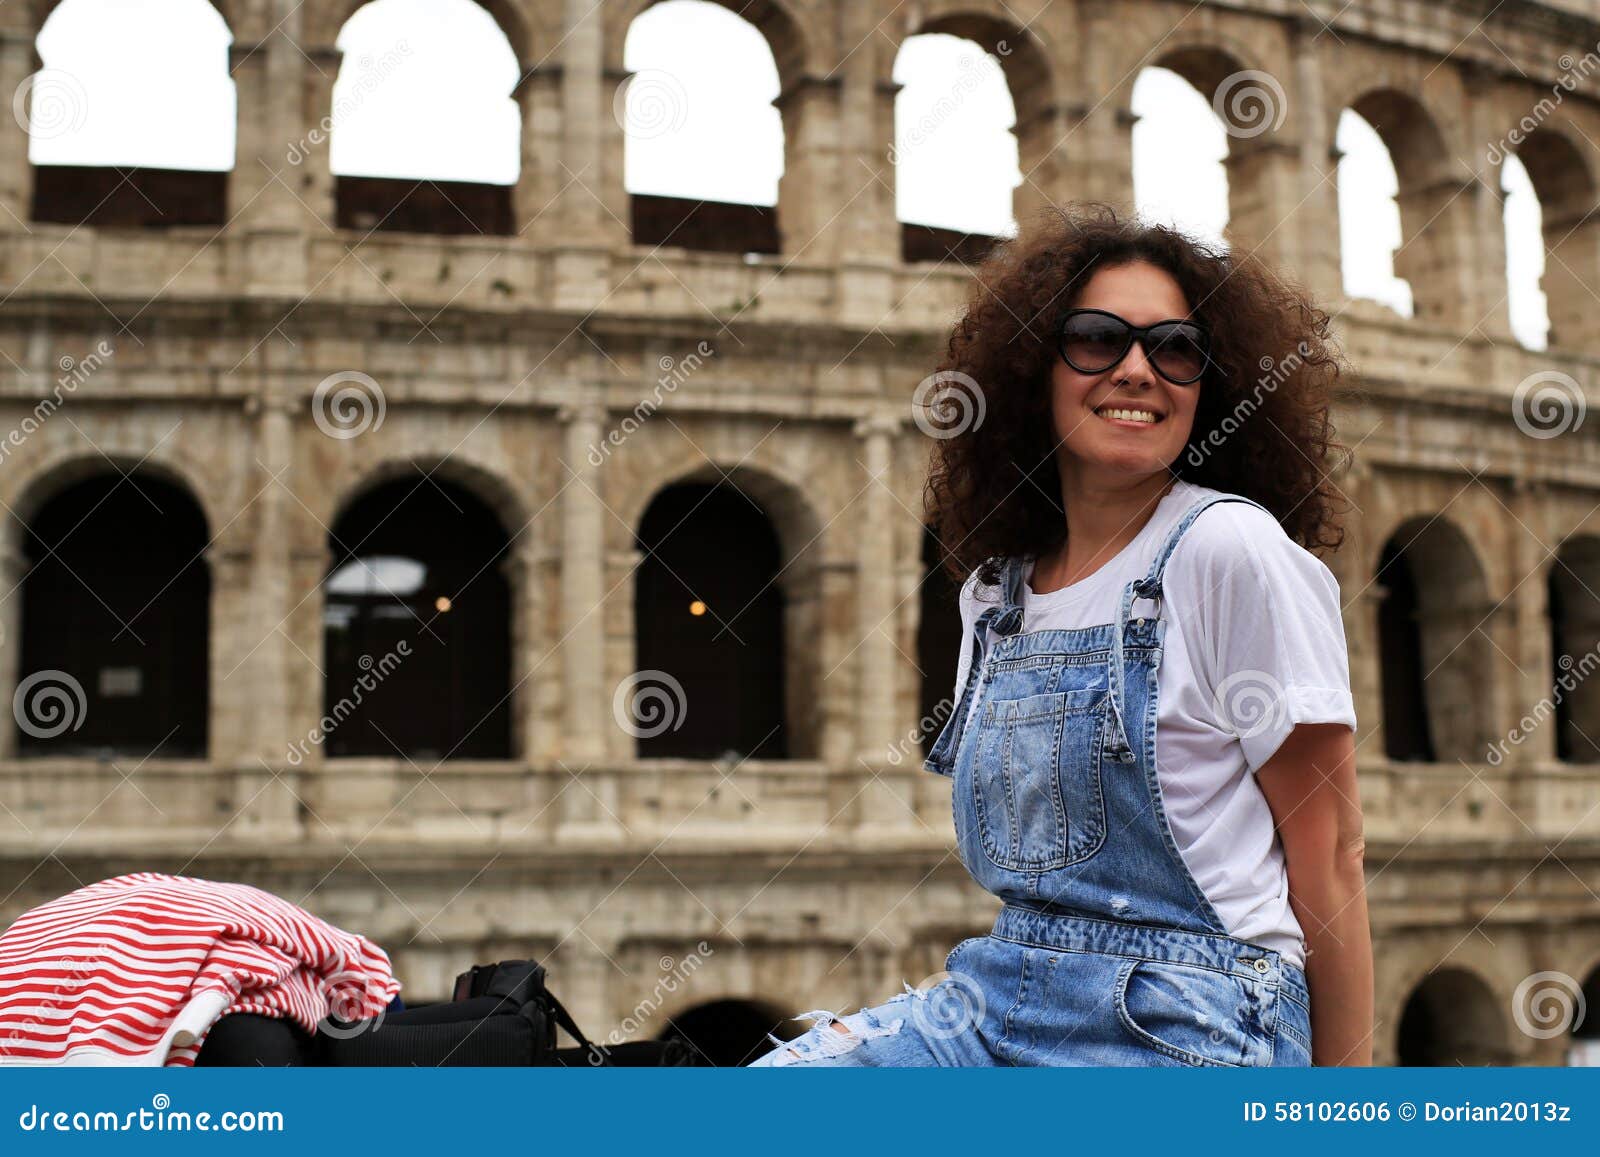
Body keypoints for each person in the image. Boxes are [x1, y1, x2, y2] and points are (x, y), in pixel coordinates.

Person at [748, 202, 1372, 1067]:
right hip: (993, 993)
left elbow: (1333, 855)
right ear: (1033, 369)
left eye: (1175, 348)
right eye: (1096, 339)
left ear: (1209, 386)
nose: (1137, 369)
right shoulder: (995, 594)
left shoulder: (1230, 550)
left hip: (1187, 1014)